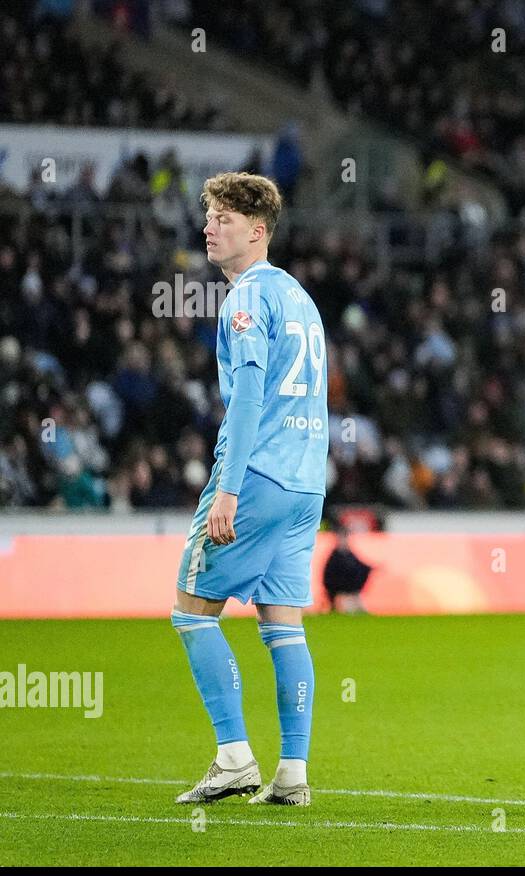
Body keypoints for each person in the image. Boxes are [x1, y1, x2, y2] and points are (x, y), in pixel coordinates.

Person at [171, 172, 329, 807]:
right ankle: (292, 774)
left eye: (223, 220)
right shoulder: (301, 298)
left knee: (191, 610)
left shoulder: (244, 299)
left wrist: (229, 489)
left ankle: (233, 755)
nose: (209, 228)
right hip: (306, 483)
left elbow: (249, 399)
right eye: (208, 217)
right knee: (283, 624)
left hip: (256, 475)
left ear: (257, 231)